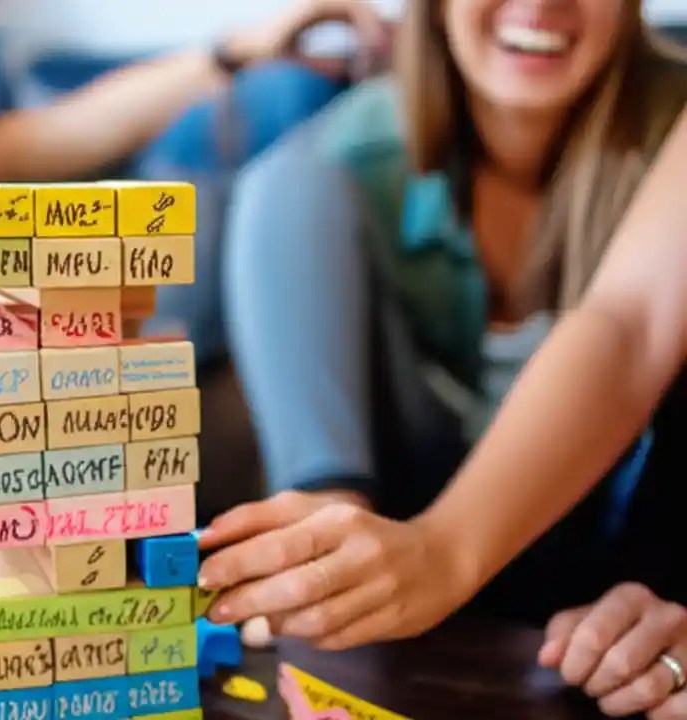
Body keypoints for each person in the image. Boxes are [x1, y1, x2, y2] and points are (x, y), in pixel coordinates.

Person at [196, 0, 687, 716]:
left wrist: (443, 553)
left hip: (607, 591)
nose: (539, 4)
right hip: (414, 598)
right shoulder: (319, 172)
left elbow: (631, 325)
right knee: (287, 189)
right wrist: (336, 555)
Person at [0, 0, 388, 546]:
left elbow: (96, 120)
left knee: (231, 165)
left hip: (113, 343)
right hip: (29, 398)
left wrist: (246, 46)